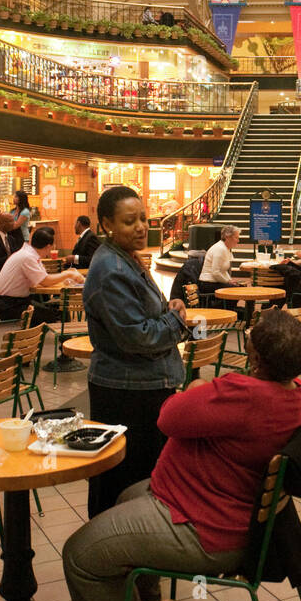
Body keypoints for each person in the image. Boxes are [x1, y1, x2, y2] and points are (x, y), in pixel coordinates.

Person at [62, 307, 301, 601]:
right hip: (226, 509)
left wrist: (197, 388)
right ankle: (145, 599)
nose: (248, 334)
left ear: (258, 359)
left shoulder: (243, 396)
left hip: (204, 527)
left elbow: (168, 417)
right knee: (127, 495)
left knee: (80, 555)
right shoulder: (294, 391)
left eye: (252, 334)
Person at [83, 185, 189, 518]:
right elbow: (136, 337)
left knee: (140, 476)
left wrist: (165, 310)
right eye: (130, 221)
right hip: (127, 391)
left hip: (142, 384)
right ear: (107, 224)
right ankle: (111, 553)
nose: (141, 227)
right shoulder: (112, 269)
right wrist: (174, 320)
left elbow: (142, 319)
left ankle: (131, 555)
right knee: (122, 482)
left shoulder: (125, 259)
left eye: (143, 218)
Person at [0, 226, 82, 323]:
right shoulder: (28, 257)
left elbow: (43, 278)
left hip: (13, 301)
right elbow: (45, 281)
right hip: (9, 306)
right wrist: (68, 274)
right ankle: (64, 337)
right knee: (56, 314)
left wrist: (65, 275)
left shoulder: (28, 253)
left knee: (58, 309)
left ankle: (64, 337)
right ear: (48, 246)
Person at [199, 225, 246, 304]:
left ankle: (233, 310)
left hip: (214, 282)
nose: (238, 241)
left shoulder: (226, 248)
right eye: (236, 238)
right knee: (236, 290)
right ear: (227, 237)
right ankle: (228, 310)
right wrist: (228, 281)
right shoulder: (220, 249)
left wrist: (230, 280)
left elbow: (223, 271)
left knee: (240, 287)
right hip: (207, 284)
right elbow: (215, 272)